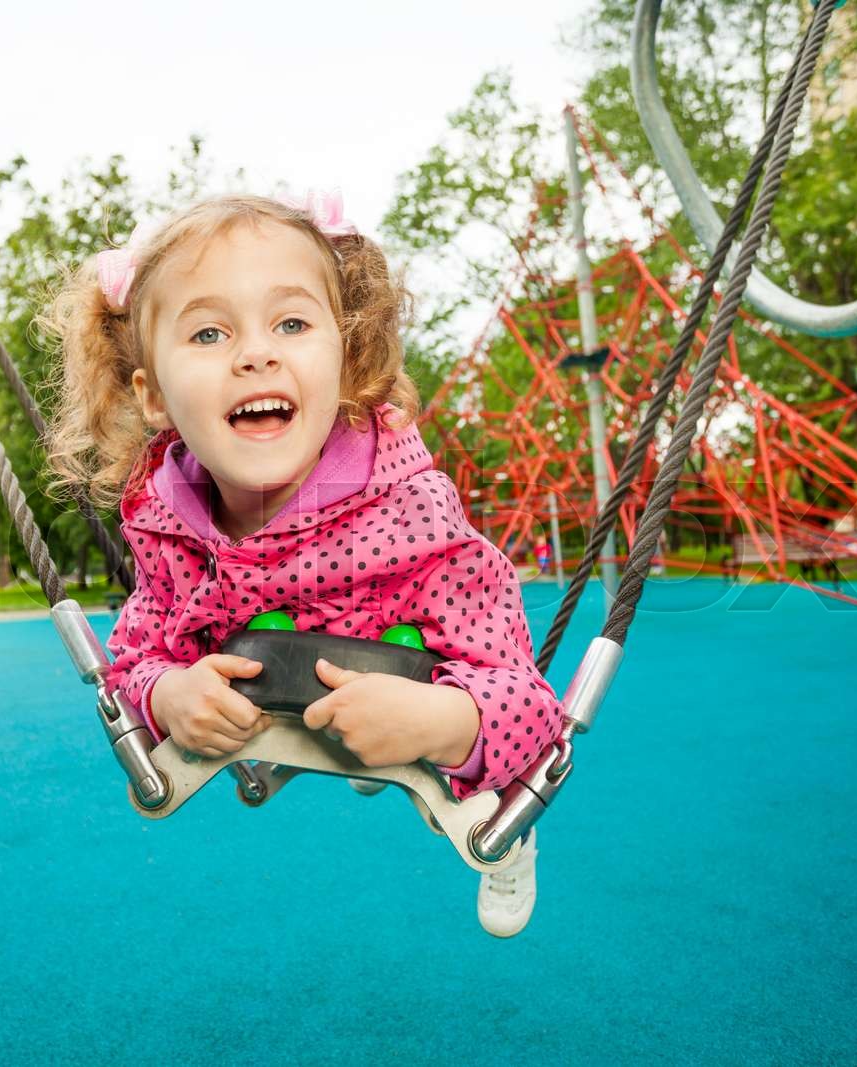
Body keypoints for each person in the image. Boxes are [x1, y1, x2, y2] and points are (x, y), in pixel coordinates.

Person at [41, 193, 563, 937]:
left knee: (497, 775)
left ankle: (507, 834)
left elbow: (528, 702)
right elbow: (133, 663)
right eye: (210, 332)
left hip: (412, 683)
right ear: (153, 395)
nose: (256, 352)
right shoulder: (167, 524)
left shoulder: (412, 511)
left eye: (291, 322)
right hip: (271, 694)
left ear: (346, 359)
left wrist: (443, 721)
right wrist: (169, 698)